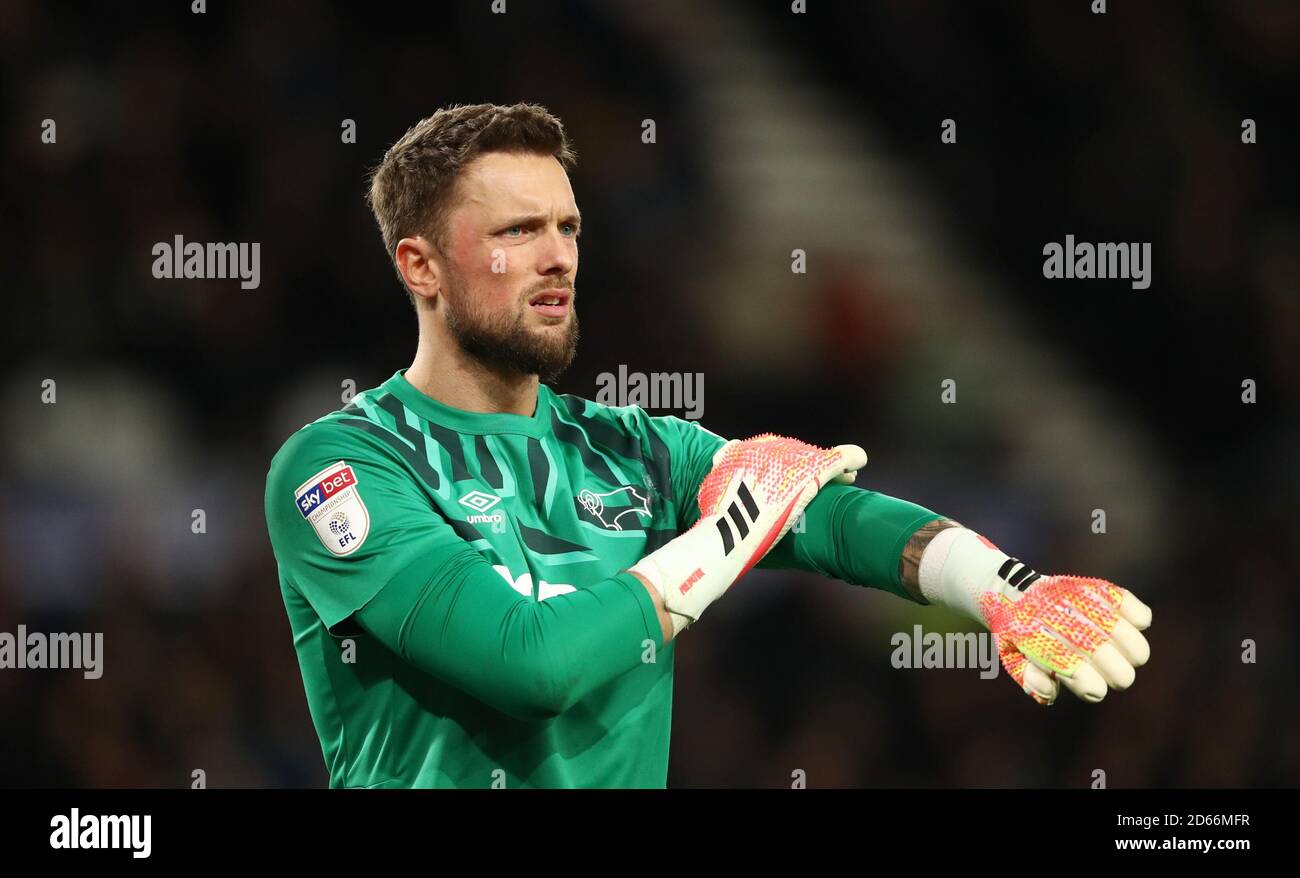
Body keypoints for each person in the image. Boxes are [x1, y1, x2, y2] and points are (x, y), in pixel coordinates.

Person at [264, 102, 1152, 789]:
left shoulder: (631, 445)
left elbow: (827, 516)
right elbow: (525, 663)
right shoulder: (341, 465)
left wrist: (1000, 586)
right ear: (420, 266)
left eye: (568, 227)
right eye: (516, 232)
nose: (559, 257)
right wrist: (728, 536)